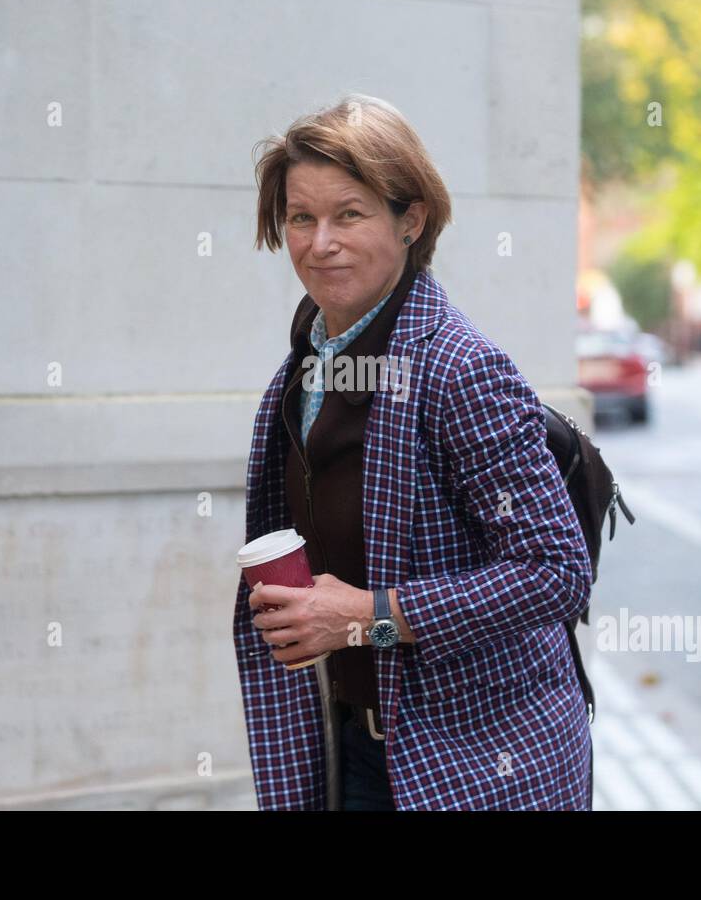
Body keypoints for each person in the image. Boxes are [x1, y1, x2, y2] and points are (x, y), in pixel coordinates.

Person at [232, 93, 594, 810]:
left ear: (411, 219)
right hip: (350, 749)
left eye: (350, 214)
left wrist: (367, 615)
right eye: (301, 217)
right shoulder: (304, 367)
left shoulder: (459, 368)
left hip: (477, 766)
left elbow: (557, 572)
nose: (320, 242)